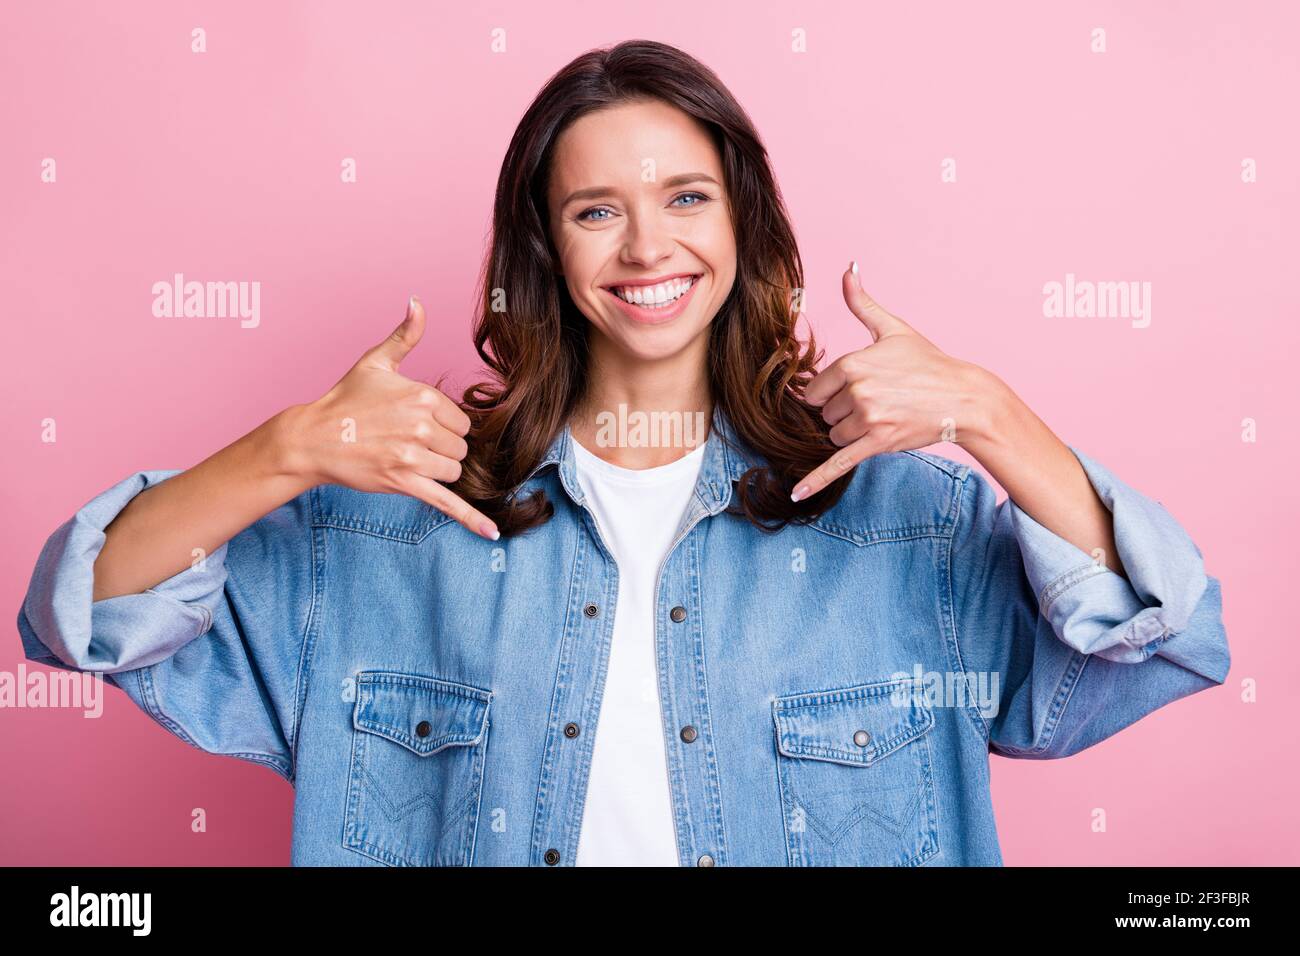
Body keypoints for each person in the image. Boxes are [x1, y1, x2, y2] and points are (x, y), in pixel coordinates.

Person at [17, 39, 1228, 867]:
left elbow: (1166, 640)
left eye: (687, 197)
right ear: (546, 246)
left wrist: (996, 418)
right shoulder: (392, 520)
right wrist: (281, 451)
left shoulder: (904, 515)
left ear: (744, 221)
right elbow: (82, 617)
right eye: (596, 208)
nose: (648, 244)